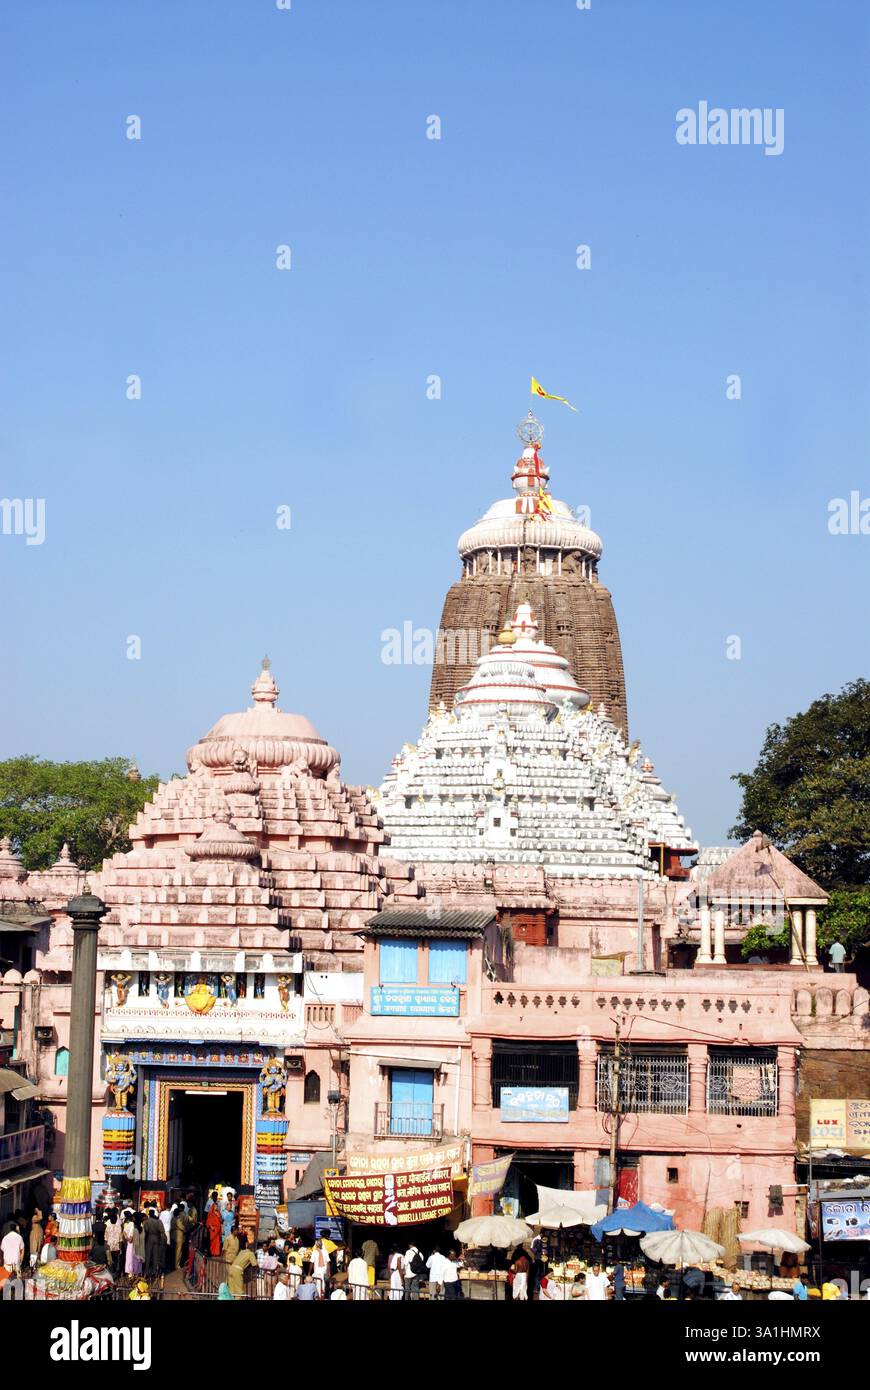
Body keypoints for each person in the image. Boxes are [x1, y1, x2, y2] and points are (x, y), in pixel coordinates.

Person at [227, 1234, 258, 1299]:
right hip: (238, 1271)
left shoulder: (242, 1251)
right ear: (253, 1249)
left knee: (231, 1290)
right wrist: (256, 1274)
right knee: (238, 1292)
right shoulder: (251, 1254)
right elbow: (255, 1265)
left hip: (231, 1268)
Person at [143, 1208, 165, 1280]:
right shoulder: (158, 1221)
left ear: (149, 1215)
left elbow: (145, 1231)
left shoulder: (146, 1222)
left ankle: (146, 1272)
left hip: (149, 1238)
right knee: (156, 1255)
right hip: (156, 1238)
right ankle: (155, 1272)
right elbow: (162, 1231)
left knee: (148, 1256)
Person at [171, 1202, 188, 1271]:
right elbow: (182, 1227)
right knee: (178, 1251)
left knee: (173, 1251)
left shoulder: (172, 1219)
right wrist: (185, 1231)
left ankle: (173, 1264)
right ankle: (177, 1265)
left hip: (173, 1235)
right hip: (178, 1235)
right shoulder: (177, 1220)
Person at [105, 1209, 123, 1274]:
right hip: (116, 1247)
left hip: (109, 1247)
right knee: (115, 1261)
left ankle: (111, 1273)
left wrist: (106, 1248)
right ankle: (115, 1273)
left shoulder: (107, 1227)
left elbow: (105, 1239)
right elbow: (120, 1240)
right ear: (116, 1220)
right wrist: (121, 1249)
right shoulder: (119, 1227)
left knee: (110, 1261)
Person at [205, 1193, 222, 1257]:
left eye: (216, 1206)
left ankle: (216, 1253)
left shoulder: (219, 1213)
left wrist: (218, 1216)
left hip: (217, 1230)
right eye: (215, 1206)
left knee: (217, 1242)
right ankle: (211, 1252)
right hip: (212, 1230)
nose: (216, 1207)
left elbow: (221, 1221)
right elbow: (208, 1221)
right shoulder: (210, 1213)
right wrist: (211, 1227)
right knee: (212, 1241)